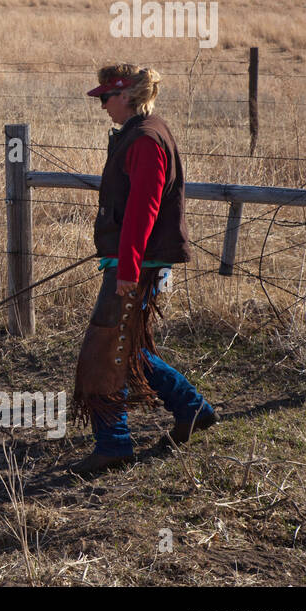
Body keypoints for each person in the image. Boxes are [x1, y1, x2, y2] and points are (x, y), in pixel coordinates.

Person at [69, 64, 217, 477]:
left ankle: (114, 445)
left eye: (105, 98)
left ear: (128, 97)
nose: (102, 106)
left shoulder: (147, 140)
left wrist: (128, 270)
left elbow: (142, 213)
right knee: (128, 347)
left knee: (103, 352)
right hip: (134, 262)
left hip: (137, 265)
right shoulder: (141, 132)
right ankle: (193, 409)